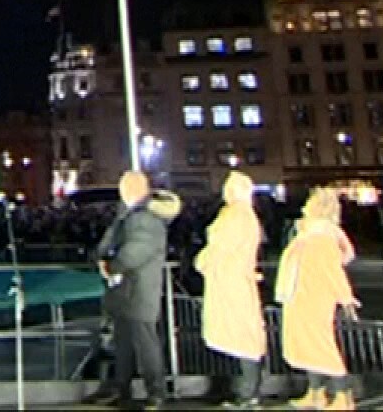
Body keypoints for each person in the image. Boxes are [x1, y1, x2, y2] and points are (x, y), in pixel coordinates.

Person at [88, 171, 181, 410]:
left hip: (138, 290)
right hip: (128, 290)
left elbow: (135, 251)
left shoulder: (143, 217)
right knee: (125, 344)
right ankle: (125, 389)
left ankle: (156, 393)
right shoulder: (134, 214)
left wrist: (111, 265)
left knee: (144, 343)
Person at [276, 188, 360, 410]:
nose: (304, 208)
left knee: (322, 345)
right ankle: (316, 393)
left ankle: (343, 396)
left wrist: (346, 297)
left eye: (310, 204)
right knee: (307, 346)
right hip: (300, 296)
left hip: (315, 298)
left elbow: (333, 271)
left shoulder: (323, 237)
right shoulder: (308, 234)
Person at [197, 171, 267, 409]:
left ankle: (250, 393)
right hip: (232, 281)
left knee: (244, 336)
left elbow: (220, 247)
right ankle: (249, 392)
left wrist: (203, 261)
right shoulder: (243, 215)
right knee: (244, 335)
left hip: (231, 282)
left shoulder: (236, 216)